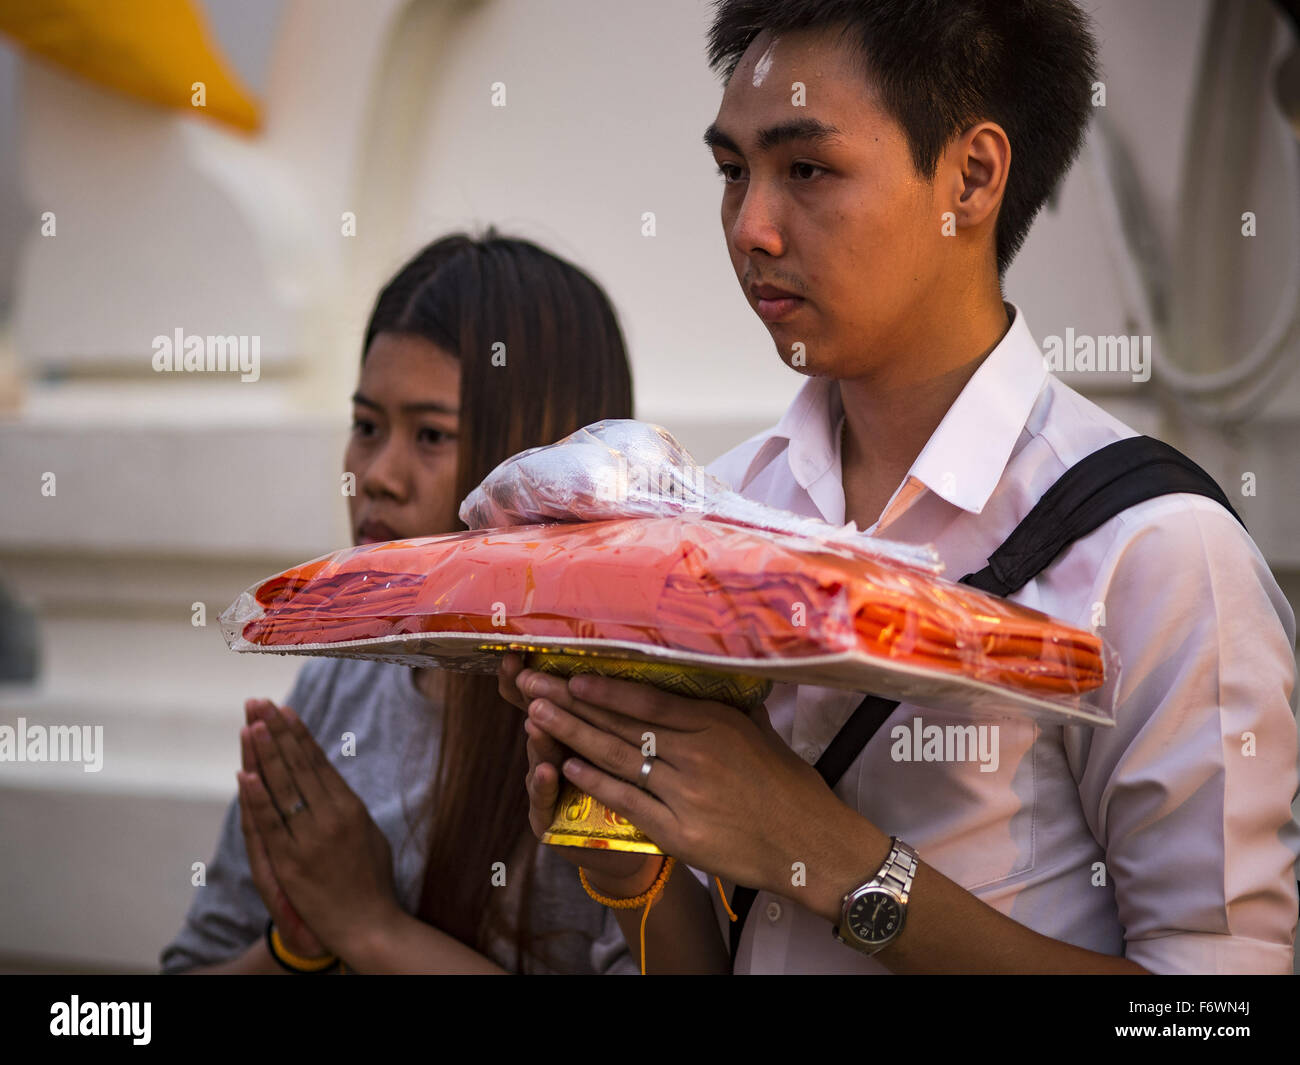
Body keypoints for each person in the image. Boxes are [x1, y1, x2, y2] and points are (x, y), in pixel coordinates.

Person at [503, 0, 1300, 974]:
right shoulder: (720, 511)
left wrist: (834, 857)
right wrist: (638, 856)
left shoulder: (1157, 553)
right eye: (731, 171)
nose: (750, 227)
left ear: (968, 178)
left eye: (807, 169)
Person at [161, 230, 638, 973]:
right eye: (365, 427)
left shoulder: (608, 727)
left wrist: (370, 928)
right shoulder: (341, 680)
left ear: (539, 461)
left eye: (431, 434)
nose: (377, 475)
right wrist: (297, 944)